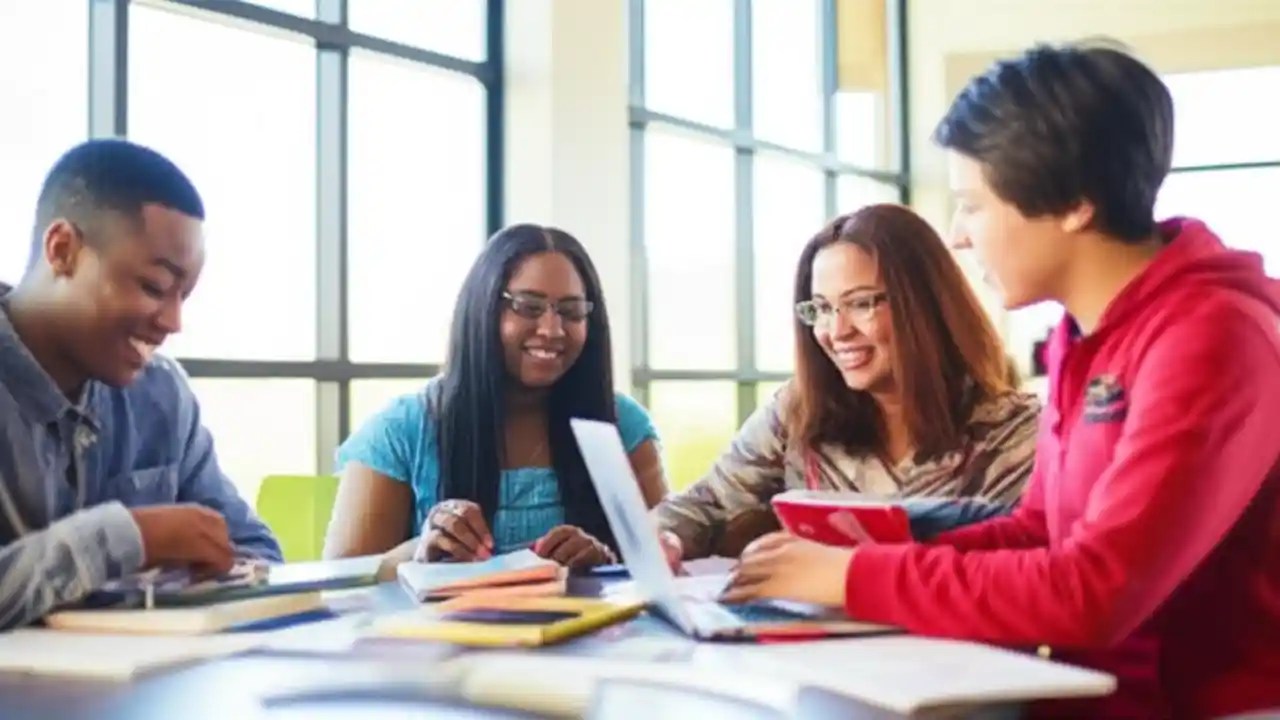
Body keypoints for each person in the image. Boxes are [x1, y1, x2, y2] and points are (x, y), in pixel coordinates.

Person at [723, 43, 1280, 719]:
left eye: (973, 205)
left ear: (1075, 201)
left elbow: (1095, 591)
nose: (958, 237)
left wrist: (852, 576)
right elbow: (1039, 531)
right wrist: (856, 555)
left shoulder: (1213, 337)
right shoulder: (1089, 336)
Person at [0, 139, 282, 631]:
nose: (173, 322)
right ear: (62, 250)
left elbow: (255, 554)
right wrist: (126, 538)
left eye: (184, 296)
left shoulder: (162, 397)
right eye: (154, 287)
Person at [655, 203, 1041, 562]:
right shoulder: (797, 411)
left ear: (923, 305)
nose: (835, 331)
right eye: (822, 308)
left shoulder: (1017, 433)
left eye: (860, 303)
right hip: (815, 633)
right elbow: (703, 504)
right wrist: (666, 537)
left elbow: (1028, 569)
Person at [325, 224, 667, 572]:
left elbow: (667, 566)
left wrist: (605, 569)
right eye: (528, 307)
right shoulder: (401, 430)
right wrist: (417, 555)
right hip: (437, 628)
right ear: (483, 307)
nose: (552, 329)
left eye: (571, 311)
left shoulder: (623, 427)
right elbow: (340, 584)